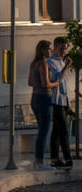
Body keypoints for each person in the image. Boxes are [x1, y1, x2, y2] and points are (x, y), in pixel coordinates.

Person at [28, 40, 59, 170]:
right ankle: (39, 161)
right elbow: (46, 84)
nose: (50, 51)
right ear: (42, 50)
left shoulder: (33, 63)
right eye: (48, 49)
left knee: (41, 130)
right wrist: (55, 83)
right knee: (43, 131)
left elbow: (30, 82)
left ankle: (38, 160)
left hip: (34, 98)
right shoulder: (43, 63)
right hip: (44, 99)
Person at [48, 36, 73, 169]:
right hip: (55, 101)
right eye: (61, 48)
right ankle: (68, 158)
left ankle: (55, 158)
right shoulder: (50, 61)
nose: (64, 51)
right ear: (56, 46)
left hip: (63, 101)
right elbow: (57, 78)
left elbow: (65, 85)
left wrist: (68, 104)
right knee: (63, 130)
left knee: (57, 131)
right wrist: (66, 67)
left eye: (65, 49)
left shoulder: (62, 61)